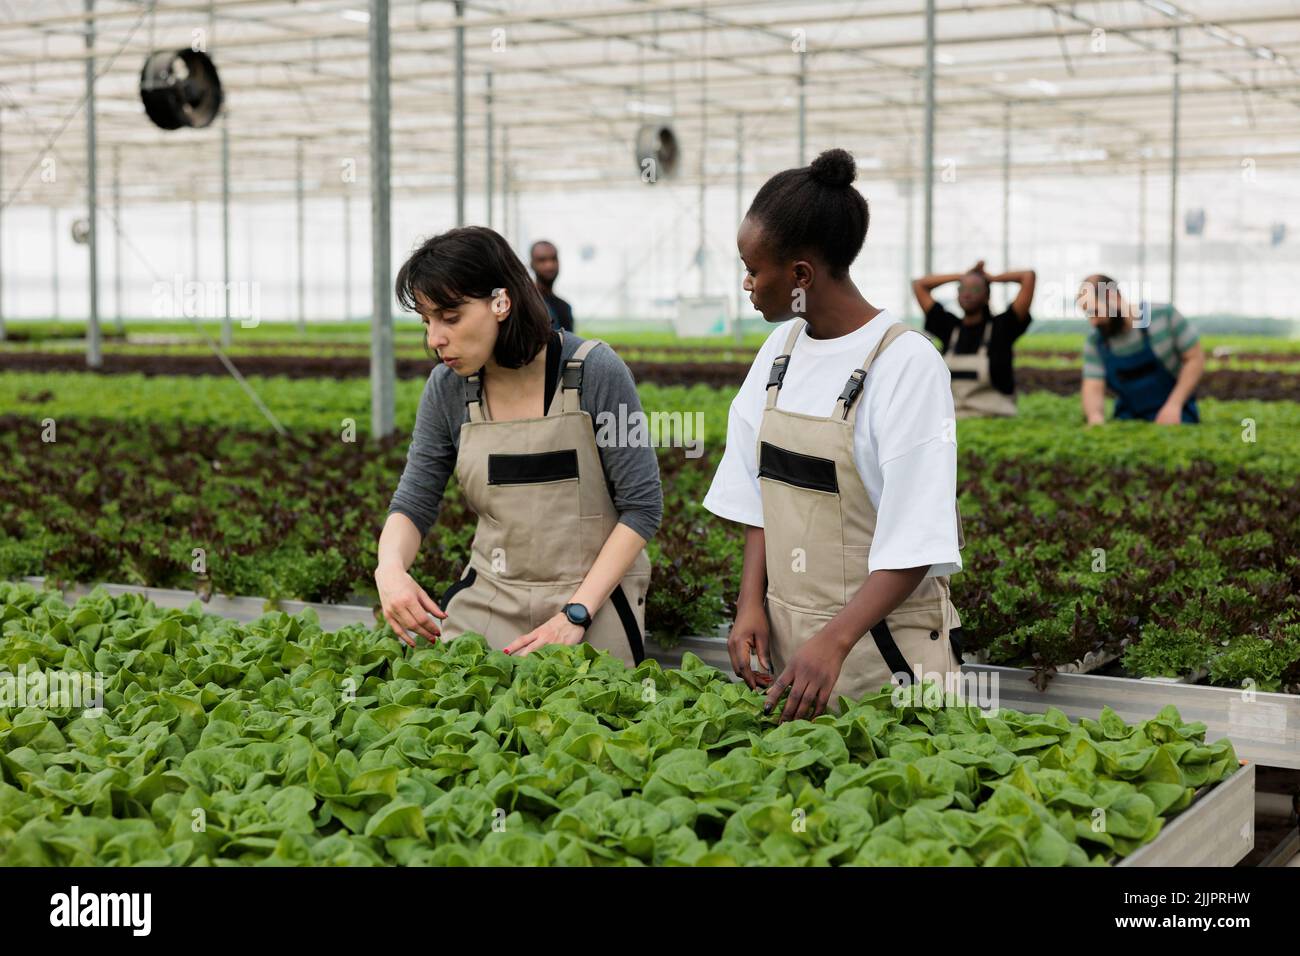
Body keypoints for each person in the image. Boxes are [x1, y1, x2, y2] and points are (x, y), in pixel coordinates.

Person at [703, 148, 964, 724]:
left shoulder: (906, 364)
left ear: (800, 276)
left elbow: (918, 539)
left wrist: (836, 641)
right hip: (793, 644)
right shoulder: (780, 352)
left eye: (753, 268)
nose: (746, 283)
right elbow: (759, 495)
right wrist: (750, 605)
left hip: (884, 651)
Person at [376, 226, 661, 664]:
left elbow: (642, 506)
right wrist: (390, 568)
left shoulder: (595, 371)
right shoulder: (447, 388)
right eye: (427, 321)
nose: (434, 340)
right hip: (491, 596)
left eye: (450, 318)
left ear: (501, 302)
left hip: (593, 600)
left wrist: (576, 613)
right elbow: (414, 501)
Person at [911, 261, 1035, 418]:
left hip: (996, 417)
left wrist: (992, 278)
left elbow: (1028, 276)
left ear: (987, 296)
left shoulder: (1002, 327)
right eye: (962, 288)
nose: (967, 293)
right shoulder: (949, 327)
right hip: (955, 419)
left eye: (975, 289)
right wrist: (963, 276)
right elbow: (919, 285)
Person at [1077, 274, 1204, 425]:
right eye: (1088, 315)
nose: (1093, 322)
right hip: (1128, 417)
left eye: (1096, 312)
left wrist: (1174, 405)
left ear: (1113, 298)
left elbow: (1194, 359)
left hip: (1177, 413)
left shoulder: (1163, 316)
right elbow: (1093, 386)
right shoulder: (1096, 341)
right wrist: (1095, 418)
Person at [530, 240, 574, 333]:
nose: (549, 265)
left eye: (554, 259)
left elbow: (570, 345)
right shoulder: (526, 302)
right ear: (532, 264)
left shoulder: (565, 307)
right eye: (542, 260)